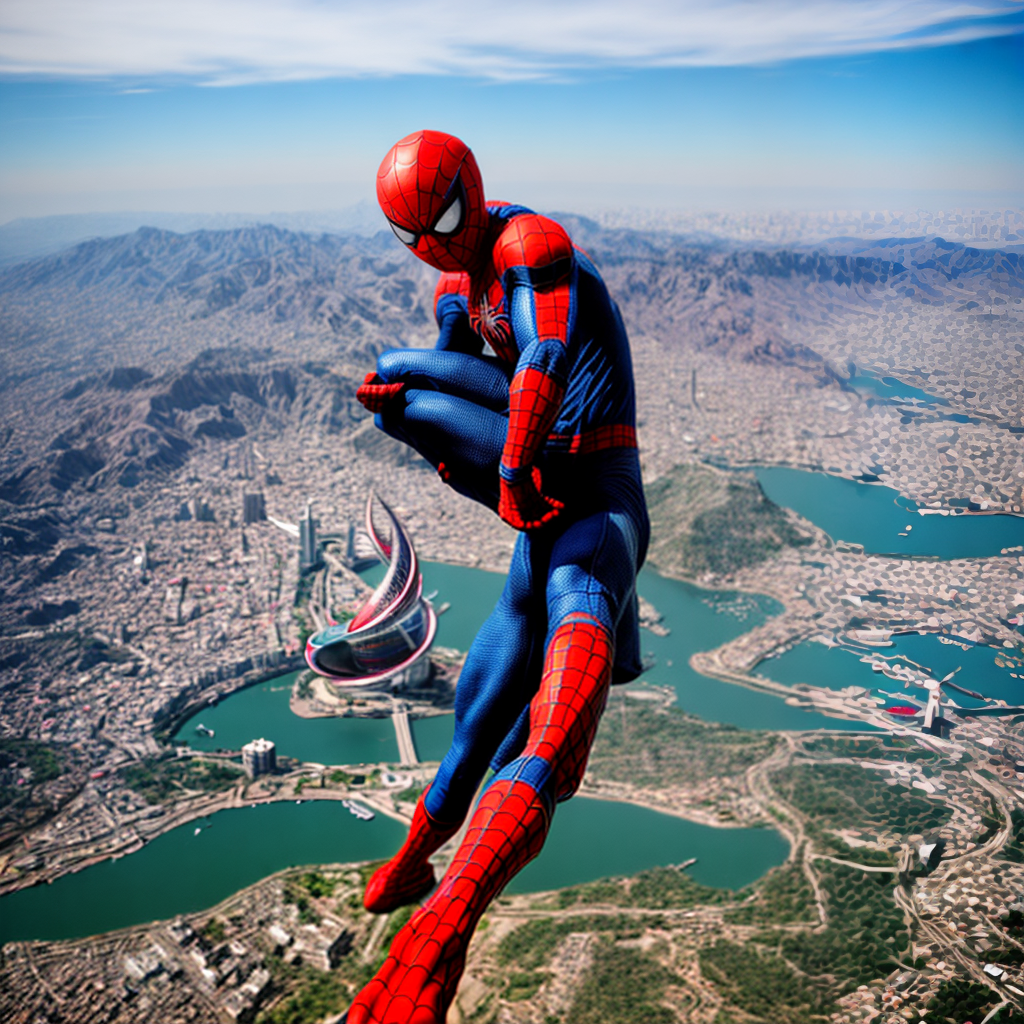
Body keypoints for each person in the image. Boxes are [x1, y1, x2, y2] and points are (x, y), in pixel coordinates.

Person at [347, 129, 649, 1024]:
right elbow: (460, 376)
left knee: (549, 734)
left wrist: (513, 471)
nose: (434, 244)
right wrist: (457, 450)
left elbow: (545, 360)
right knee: (476, 724)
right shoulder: (460, 284)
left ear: (471, 194)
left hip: (590, 499)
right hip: (541, 515)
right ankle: (413, 861)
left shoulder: (531, 248)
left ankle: (441, 929)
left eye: (440, 218)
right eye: (412, 234)